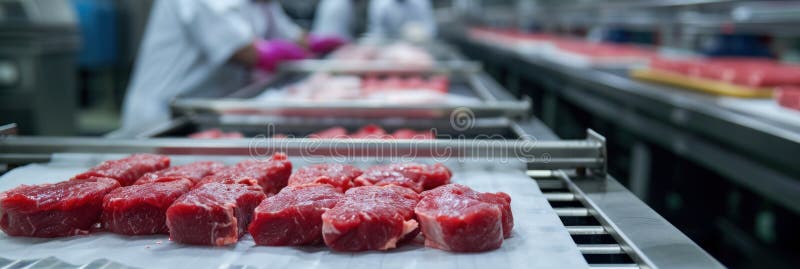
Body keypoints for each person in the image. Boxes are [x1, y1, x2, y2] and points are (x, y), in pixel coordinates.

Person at [119, 0, 342, 132]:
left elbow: (293, 37)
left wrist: (316, 43)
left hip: (206, 112)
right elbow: (244, 51)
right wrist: (271, 53)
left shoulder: (260, 2)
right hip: (164, 115)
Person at [367, 0, 436, 40]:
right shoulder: (380, 3)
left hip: (419, 46)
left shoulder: (421, 2)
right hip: (388, 46)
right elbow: (376, 32)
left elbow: (431, 29)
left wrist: (420, 32)